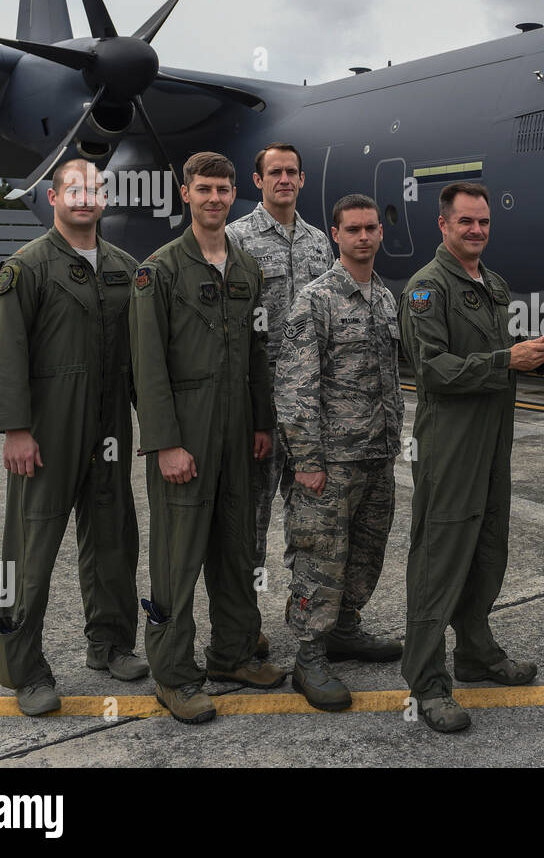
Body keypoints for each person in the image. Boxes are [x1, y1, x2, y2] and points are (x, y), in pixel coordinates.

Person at [0, 159, 146, 716]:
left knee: (114, 541)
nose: (84, 197)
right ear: (53, 197)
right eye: (72, 189)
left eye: (94, 188)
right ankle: (25, 671)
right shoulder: (25, 268)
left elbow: (141, 360)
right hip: (47, 432)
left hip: (109, 432)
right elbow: (6, 353)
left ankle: (111, 644)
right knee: (30, 554)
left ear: (106, 197)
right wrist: (16, 430)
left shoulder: (125, 269)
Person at [130, 151, 286, 725]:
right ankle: (172, 676)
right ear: (185, 194)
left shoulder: (247, 268)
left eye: (223, 189)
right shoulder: (160, 270)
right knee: (178, 557)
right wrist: (165, 443)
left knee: (236, 547)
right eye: (205, 189)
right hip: (185, 437)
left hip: (238, 432)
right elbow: (146, 368)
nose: (216, 198)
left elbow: (257, 355)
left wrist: (262, 422)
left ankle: (234, 653)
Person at [398, 182, 544, 733]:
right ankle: (426, 680)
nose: (476, 230)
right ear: (443, 225)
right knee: (440, 557)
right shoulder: (427, 288)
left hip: (493, 440)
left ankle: (475, 650)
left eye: (483, 222)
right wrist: (505, 359)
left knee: (488, 548)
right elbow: (432, 370)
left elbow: (496, 359)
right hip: (451, 444)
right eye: (465, 221)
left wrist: (537, 355)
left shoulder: (493, 285)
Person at [277, 194, 404, 711]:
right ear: (335, 234)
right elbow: (294, 386)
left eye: (371, 228)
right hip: (329, 462)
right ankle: (308, 656)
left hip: (377, 455)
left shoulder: (384, 297)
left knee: (366, 554)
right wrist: (306, 460)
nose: (364, 237)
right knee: (319, 559)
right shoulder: (316, 299)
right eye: (352, 229)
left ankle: (345, 629)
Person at [226, 142, 335, 660]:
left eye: (292, 172)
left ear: (302, 180)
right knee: (250, 524)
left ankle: (313, 625)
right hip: (258, 403)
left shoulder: (319, 244)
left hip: (309, 407)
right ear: (258, 180)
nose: (284, 179)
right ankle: (241, 630)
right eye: (275, 172)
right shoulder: (235, 239)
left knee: (311, 522)